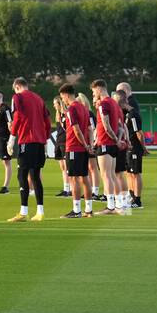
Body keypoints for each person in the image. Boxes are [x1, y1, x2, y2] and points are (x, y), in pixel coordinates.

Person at [8, 77, 50, 223]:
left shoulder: (17, 97)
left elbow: (18, 116)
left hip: (27, 140)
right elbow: (47, 121)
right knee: (36, 176)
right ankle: (40, 211)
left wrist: (12, 137)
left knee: (22, 175)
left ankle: (23, 211)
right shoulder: (39, 98)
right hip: (39, 141)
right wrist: (45, 139)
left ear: (17, 86)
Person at [89, 79, 126, 215]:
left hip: (105, 143)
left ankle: (111, 206)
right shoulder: (114, 103)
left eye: (93, 91)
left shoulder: (103, 104)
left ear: (98, 89)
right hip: (112, 144)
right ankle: (119, 205)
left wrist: (116, 139)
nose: (94, 94)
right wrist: (119, 139)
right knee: (112, 175)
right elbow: (121, 126)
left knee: (106, 175)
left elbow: (106, 126)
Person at [58, 84, 94, 218]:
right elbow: (90, 129)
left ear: (66, 95)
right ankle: (89, 209)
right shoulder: (84, 109)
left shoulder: (71, 109)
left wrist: (85, 145)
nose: (63, 100)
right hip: (83, 148)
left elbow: (76, 129)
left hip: (74, 147)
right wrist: (89, 144)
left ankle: (77, 210)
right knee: (84, 178)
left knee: (73, 179)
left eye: (63, 98)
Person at [117, 86, 145, 209]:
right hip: (129, 147)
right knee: (129, 172)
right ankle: (131, 195)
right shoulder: (128, 114)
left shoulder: (133, 114)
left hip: (135, 147)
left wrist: (143, 148)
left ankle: (137, 200)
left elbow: (139, 132)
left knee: (136, 173)